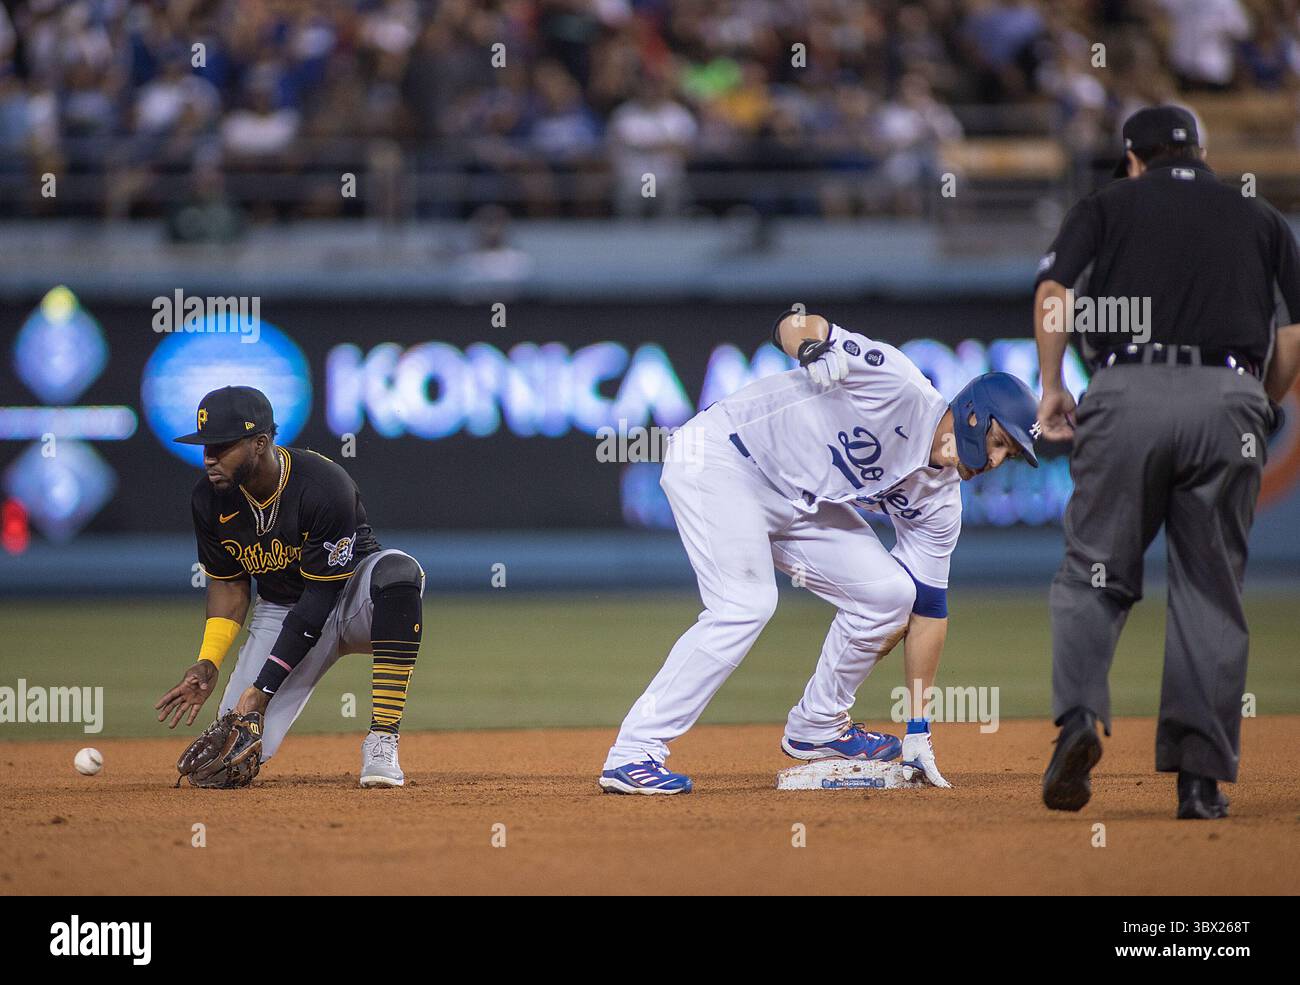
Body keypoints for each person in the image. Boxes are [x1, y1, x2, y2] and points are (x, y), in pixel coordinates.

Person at [599, 310, 1040, 794]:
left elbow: (930, 613)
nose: (996, 460)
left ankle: (818, 727)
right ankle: (634, 752)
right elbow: (794, 324)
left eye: (1009, 455)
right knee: (745, 604)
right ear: (975, 414)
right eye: (1000, 443)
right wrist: (810, 349)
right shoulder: (897, 384)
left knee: (893, 596)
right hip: (722, 457)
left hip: (799, 499)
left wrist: (919, 730)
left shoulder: (939, 501)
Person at [1034, 105, 1300, 819]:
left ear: (1132, 157)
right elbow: (1295, 334)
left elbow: (1055, 294)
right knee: (1211, 590)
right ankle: (1199, 783)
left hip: (1127, 392)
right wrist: (1257, 400)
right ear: (1203, 152)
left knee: (1093, 570)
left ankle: (1082, 718)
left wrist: (1055, 385)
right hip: (1229, 396)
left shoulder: (1107, 204)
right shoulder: (1262, 216)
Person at [154, 386, 428, 787]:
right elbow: (229, 585)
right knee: (223, 761)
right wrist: (208, 660)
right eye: (205, 447)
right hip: (282, 611)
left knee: (400, 574)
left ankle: (382, 738)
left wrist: (262, 690)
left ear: (260, 443)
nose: (209, 457)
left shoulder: (322, 485)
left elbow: (319, 598)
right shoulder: (209, 499)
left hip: (351, 599)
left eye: (222, 446)